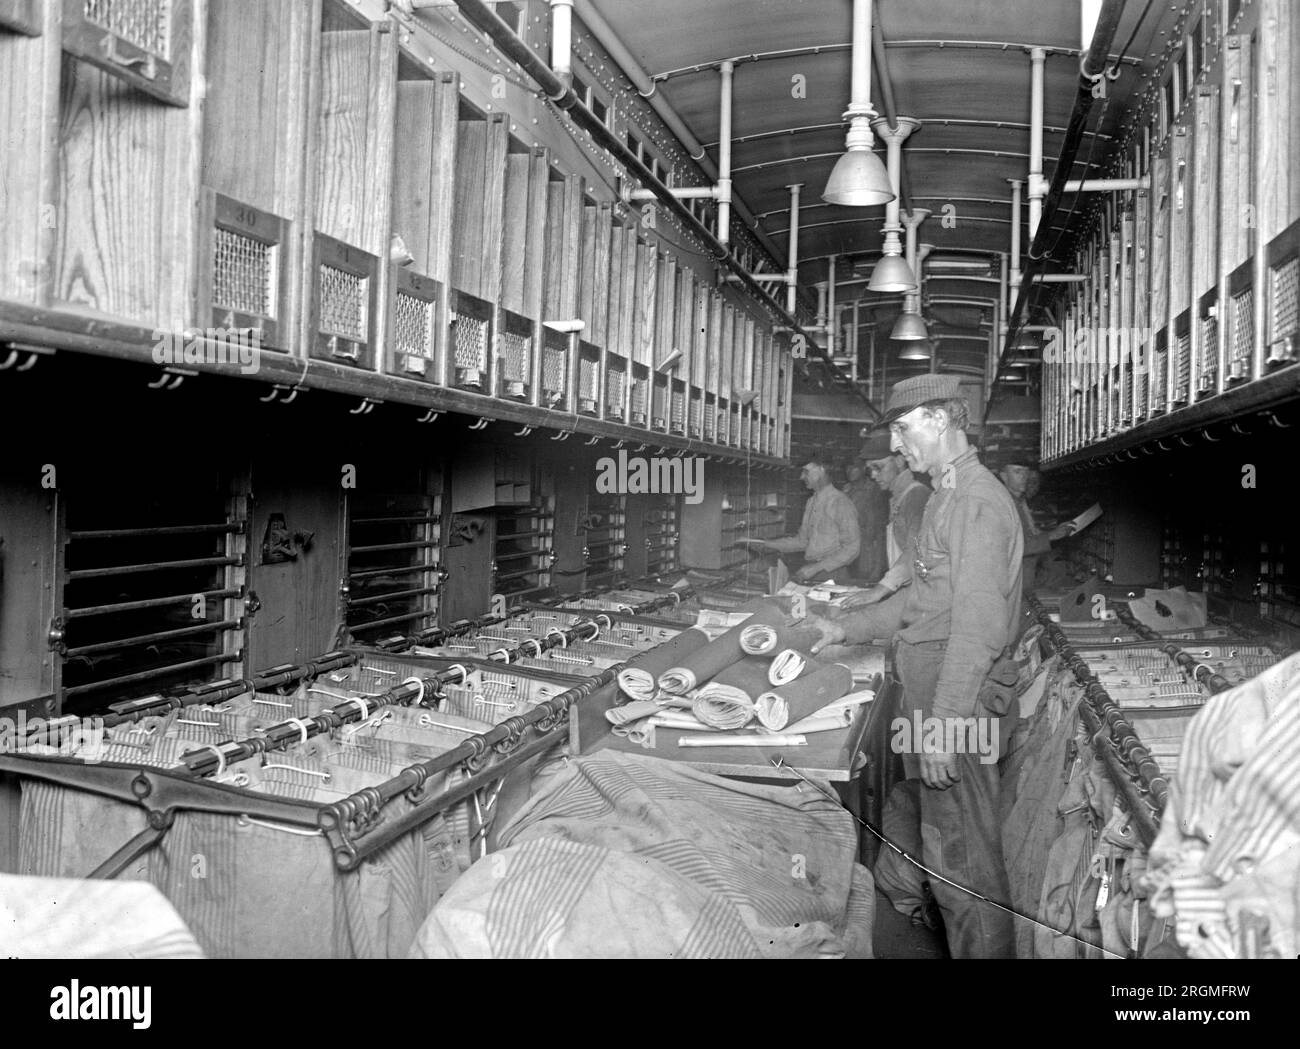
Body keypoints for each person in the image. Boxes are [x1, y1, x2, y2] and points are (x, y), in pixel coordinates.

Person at [805, 373, 1024, 959]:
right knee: (946, 849)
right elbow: (920, 601)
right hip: (932, 698)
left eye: (903, 428)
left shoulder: (975, 502)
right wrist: (844, 628)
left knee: (965, 866)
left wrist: (946, 727)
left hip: (956, 705)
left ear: (941, 420)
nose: (897, 445)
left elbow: (977, 632)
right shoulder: (946, 497)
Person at [842, 438, 931, 607]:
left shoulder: (916, 496)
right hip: (905, 590)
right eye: (870, 470)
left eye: (878, 467)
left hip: (918, 594)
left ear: (899, 461)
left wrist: (880, 590)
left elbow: (915, 550)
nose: (874, 475)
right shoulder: (897, 497)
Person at [753, 456, 860, 582]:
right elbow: (802, 541)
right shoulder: (811, 502)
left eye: (806, 472)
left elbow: (852, 548)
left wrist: (816, 568)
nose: (801, 477)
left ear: (821, 470)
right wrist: (767, 545)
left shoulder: (840, 502)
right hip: (814, 571)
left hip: (833, 573)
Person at [999, 459, 1074, 591]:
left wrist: (1055, 532)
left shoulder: (1019, 501)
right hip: (1013, 582)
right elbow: (1012, 546)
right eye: (1017, 472)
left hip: (1025, 577)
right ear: (1004, 476)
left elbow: (1028, 532)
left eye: (1026, 473)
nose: (1024, 477)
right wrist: (1051, 536)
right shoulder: (1003, 504)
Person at [841, 459, 888, 583]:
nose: (850, 471)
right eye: (848, 467)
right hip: (847, 547)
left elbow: (878, 528)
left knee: (864, 581)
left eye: (854, 467)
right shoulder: (846, 489)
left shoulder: (874, 489)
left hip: (867, 547)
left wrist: (877, 567)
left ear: (863, 469)